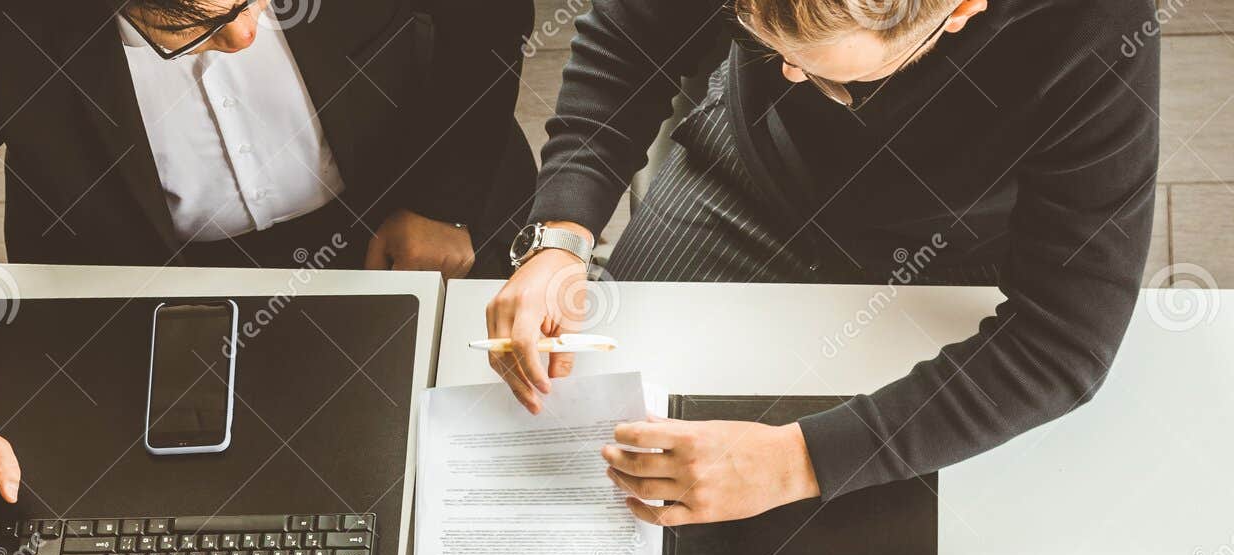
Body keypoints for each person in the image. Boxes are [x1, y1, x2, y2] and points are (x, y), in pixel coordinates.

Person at [0, 0, 536, 518]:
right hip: (137, 274)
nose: (244, 35)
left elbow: (487, 16)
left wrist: (448, 199)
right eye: (190, 26)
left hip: (403, 211)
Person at [487, 0, 1159, 525]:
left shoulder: (1097, 25)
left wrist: (794, 462)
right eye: (762, 43)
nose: (789, 79)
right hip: (742, 179)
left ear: (958, 13)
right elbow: (630, 35)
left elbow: (1063, 340)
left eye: (836, 82)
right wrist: (561, 236)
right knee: (586, 453)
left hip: (950, 251)